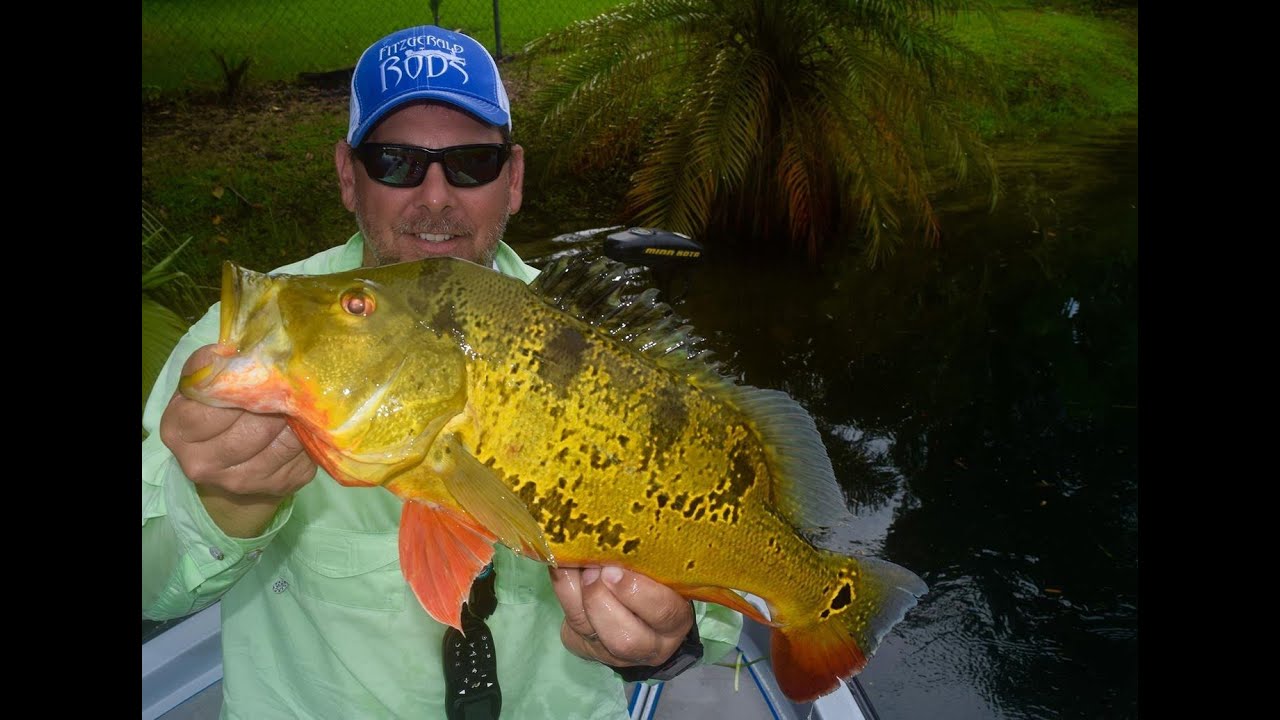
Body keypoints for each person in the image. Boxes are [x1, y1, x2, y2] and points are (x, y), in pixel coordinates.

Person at [142, 24, 742, 720]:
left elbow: (723, 587)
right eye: (395, 161)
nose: (434, 196)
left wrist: (668, 642)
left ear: (512, 180)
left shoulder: (599, 349)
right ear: (347, 174)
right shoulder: (247, 342)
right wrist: (224, 507)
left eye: (471, 163)